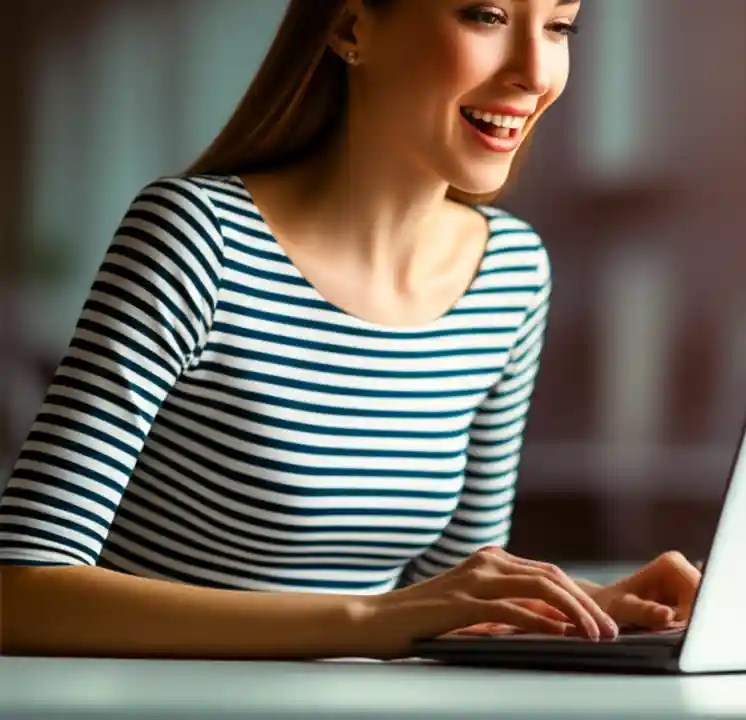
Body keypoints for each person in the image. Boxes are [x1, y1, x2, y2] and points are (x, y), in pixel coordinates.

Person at [0, 0, 701, 660]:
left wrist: (594, 609)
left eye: (559, 27)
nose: (535, 73)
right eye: (485, 14)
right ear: (351, 28)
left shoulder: (511, 273)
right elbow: (20, 592)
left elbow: (454, 598)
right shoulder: (197, 239)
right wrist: (370, 621)